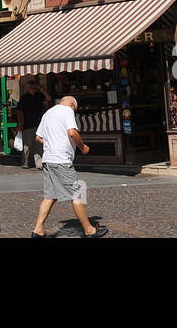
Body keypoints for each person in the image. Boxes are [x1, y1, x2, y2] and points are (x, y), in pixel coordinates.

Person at [31, 96, 107, 238]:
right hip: (61, 160)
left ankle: (38, 230)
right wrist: (82, 146)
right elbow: (72, 132)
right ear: (71, 105)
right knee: (76, 195)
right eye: (75, 110)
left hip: (48, 159)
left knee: (50, 196)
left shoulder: (48, 113)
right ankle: (89, 230)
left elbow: (38, 137)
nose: (74, 112)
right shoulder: (67, 111)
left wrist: (51, 144)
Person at [17, 81, 50, 170]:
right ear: (28, 88)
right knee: (27, 145)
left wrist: (42, 90)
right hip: (28, 124)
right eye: (31, 88)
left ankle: (39, 164)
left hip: (39, 124)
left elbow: (49, 98)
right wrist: (20, 124)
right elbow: (19, 111)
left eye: (34, 88)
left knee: (38, 145)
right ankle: (25, 162)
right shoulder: (24, 98)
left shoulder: (39, 96)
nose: (33, 90)